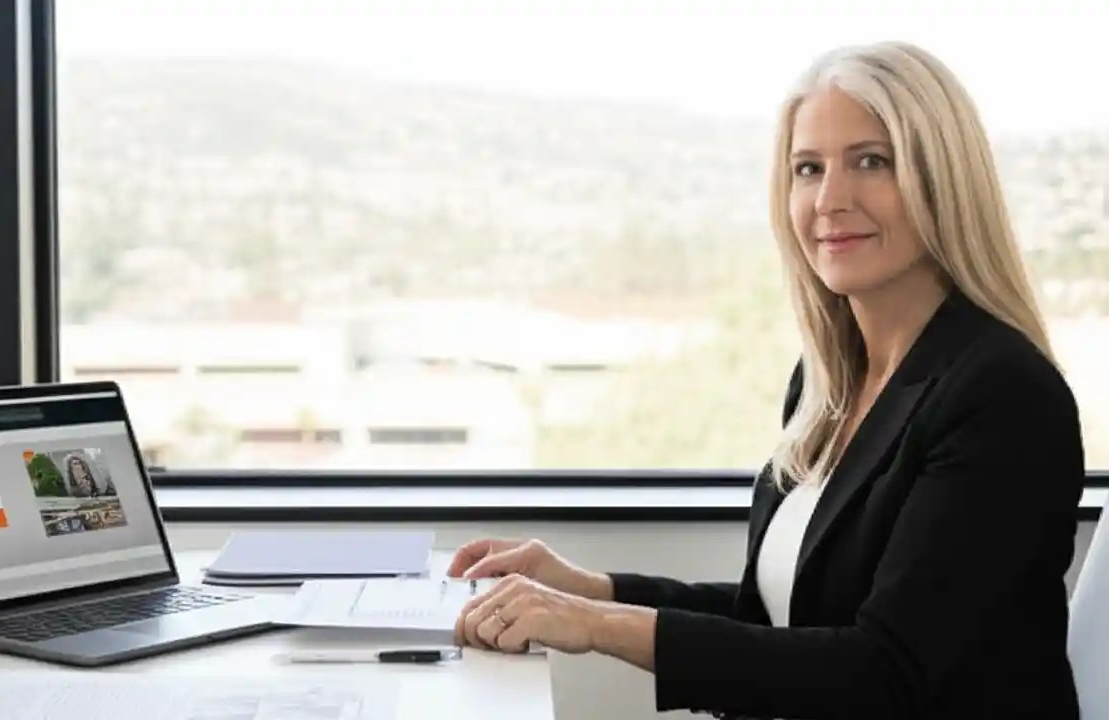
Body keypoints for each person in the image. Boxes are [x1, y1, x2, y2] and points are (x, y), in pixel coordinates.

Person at [451, 41, 1085, 719]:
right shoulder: (827, 381)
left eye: (871, 161)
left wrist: (595, 625)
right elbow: (782, 618)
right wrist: (588, 589)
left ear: (944, 180)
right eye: (808, 169)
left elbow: (884, 672)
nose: (830, 200)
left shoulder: (1003, 396)